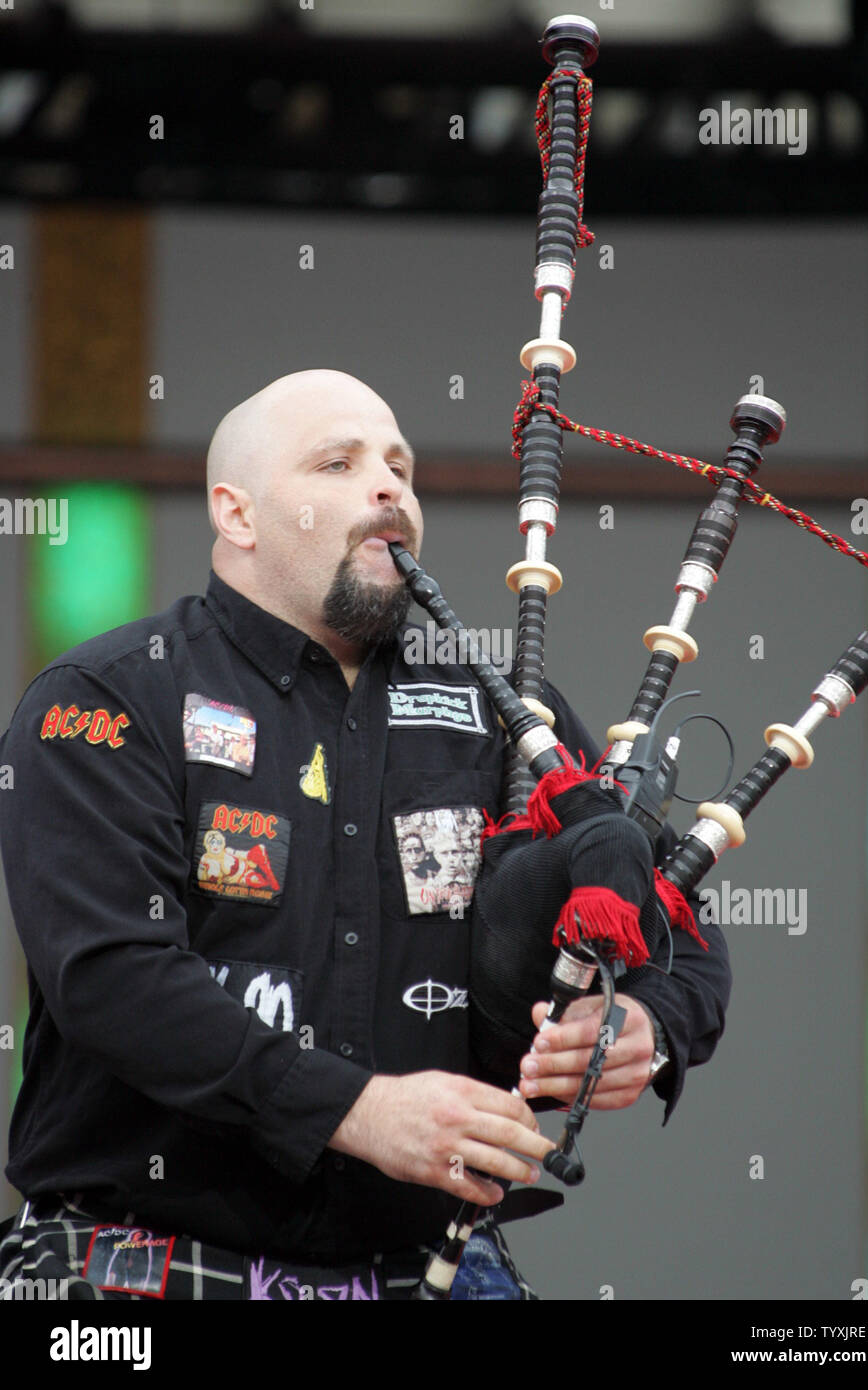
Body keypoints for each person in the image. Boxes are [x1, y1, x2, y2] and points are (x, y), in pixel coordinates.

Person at [0, 370, 730, 1301]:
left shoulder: (508, 715)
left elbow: (677, 922)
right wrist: (360, 1110)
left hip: (425, 1269)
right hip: (140, 1262)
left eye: (400, 467)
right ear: (238, 515)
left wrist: (644, 1024)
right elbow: (113, 976)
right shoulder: (109, 699)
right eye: (338, 464)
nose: (389, 488)